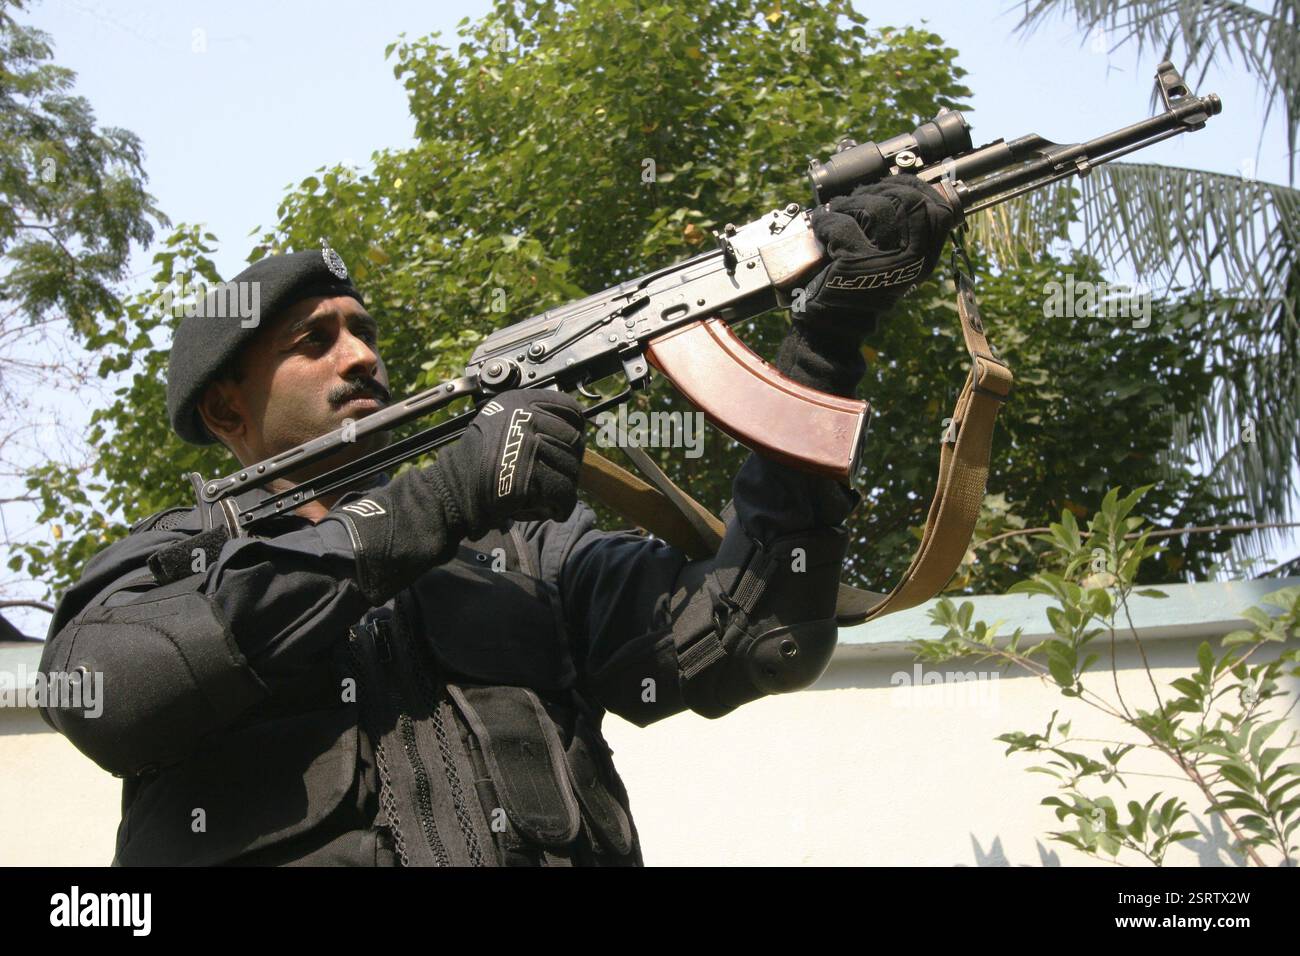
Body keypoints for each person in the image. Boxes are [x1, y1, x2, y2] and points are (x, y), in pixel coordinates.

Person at [38, 176, 956, 866]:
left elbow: (757, 637)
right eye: (314, 342)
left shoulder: (526, 555)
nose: (361, 356)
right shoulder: (171, 563)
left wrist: (825, 347)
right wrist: (440, 498)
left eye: (363, 330)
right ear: (228, 413)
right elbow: (113, 696)